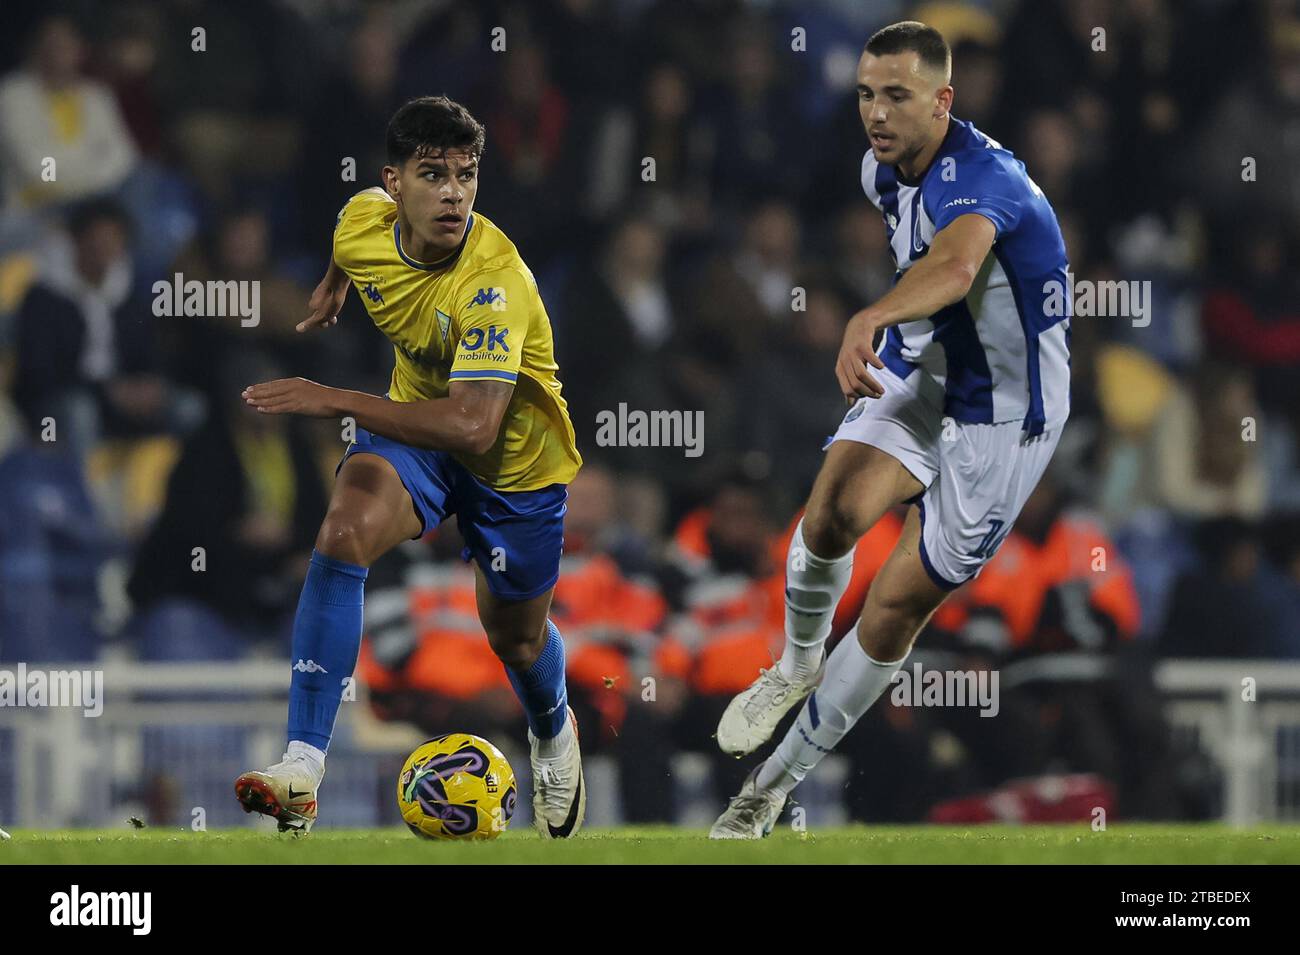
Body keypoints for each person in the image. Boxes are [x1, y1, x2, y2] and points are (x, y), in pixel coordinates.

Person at [710, 21, 1071, 838]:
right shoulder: (881, 170)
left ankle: (770, 786)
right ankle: (797, 663)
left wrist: (868, 314)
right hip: (929, 367)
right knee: (829, 513)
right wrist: (893, 328)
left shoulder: (988, 178)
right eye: (868, 93)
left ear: (943, 101)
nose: (877, 112)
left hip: (1005, 422)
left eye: (898, 95)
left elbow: (954, 267)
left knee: (892, 606)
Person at [233, 96, 585, 838]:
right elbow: (351, 229)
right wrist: (335, 283)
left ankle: (553, 729)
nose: (454, 192)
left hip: (510, 464)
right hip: (417, 436)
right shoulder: (364, 223)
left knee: (516, 639)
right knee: (343, 527)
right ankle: (302, 765)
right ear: (395, 183)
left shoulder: (496, 282)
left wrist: (332, 398)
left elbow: (474, 422)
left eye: (466, 175)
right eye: (434, 175)